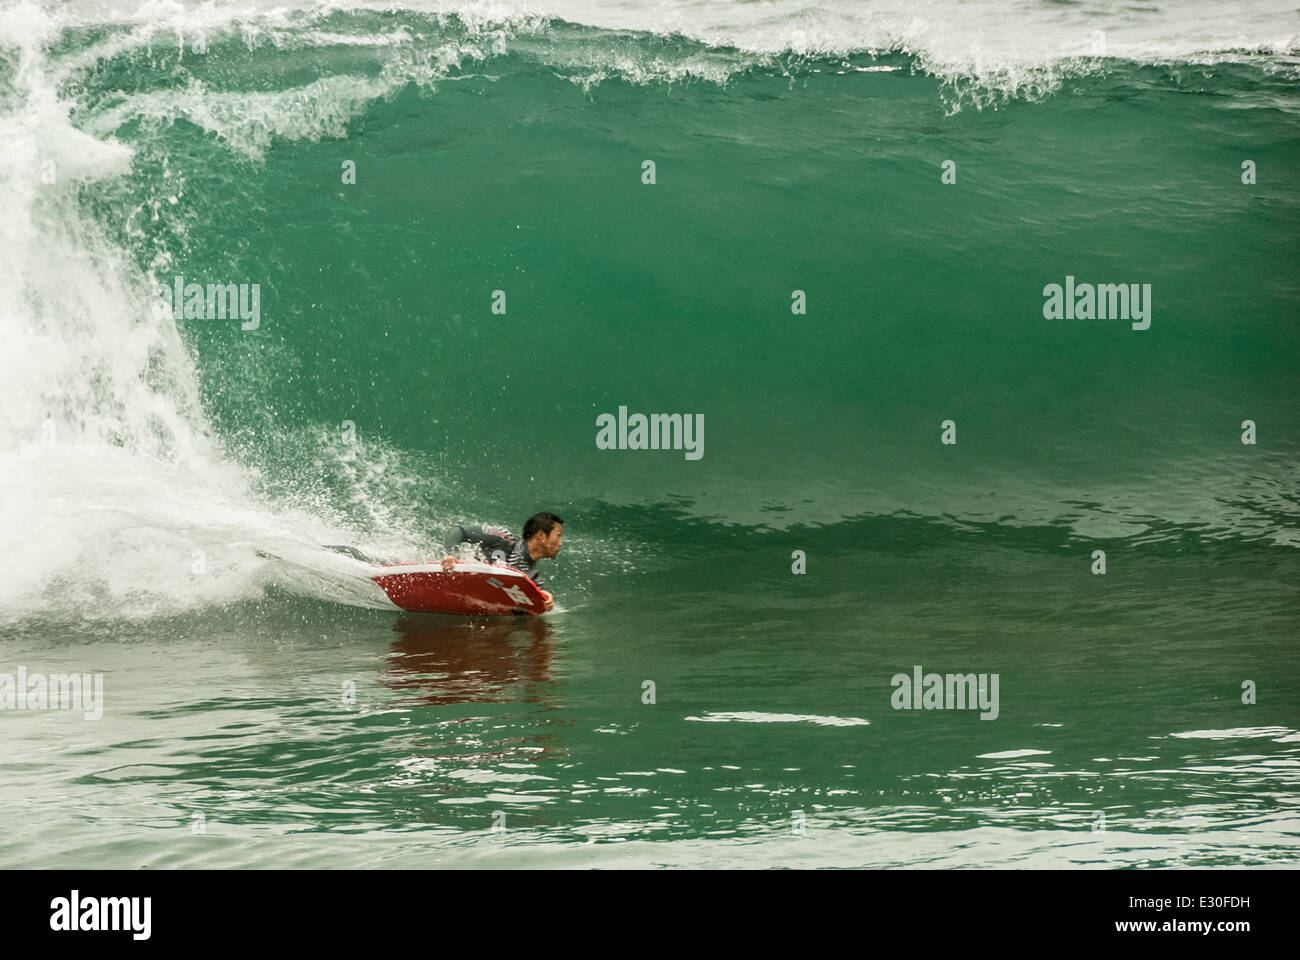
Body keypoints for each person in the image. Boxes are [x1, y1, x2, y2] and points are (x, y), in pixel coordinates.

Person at [441, 512, 563, 612]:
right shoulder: (504, 538)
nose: (560, 543)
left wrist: (543, 599)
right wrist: (451, 555)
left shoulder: (533, 578)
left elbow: (523, 610)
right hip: (452, 577)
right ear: (541, 535)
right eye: (558, 535)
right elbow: (459, 531)